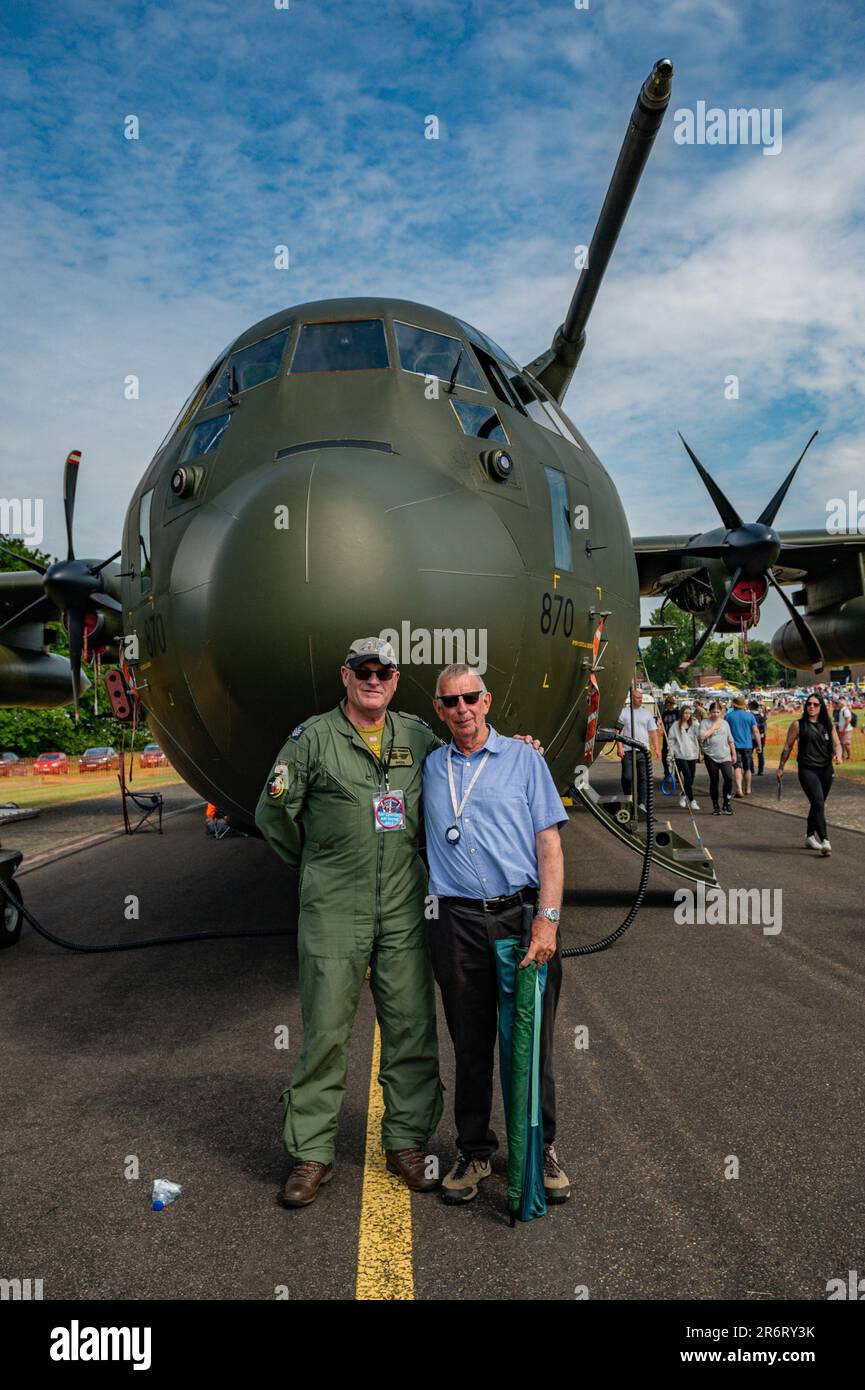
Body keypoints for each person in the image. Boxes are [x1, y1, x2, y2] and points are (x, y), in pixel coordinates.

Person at [255, 637, 444, 1206]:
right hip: (334, 908)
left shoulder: (416, 735)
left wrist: (518, 750)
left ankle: (406, 1142)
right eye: (363, 669)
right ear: (346, 675)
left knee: (411, 1027)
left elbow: (464, 767)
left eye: (384, 670)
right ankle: (312, 1153)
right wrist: (319, 867)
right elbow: (274, 814)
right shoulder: (312, 738)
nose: (374, 678)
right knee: (327, 1032)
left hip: (404, 906)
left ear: (395, 677)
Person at [422, 664, 570, 1208]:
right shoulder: (430, 767)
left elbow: (549, 845)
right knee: (470, 1043)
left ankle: (540, 1148)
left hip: (520, 915)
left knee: (531, 1044)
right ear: (439, 711)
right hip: (456, 921)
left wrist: (547, 918)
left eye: (470, 698)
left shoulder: (525, 760)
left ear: (486, 702)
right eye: (450, 702)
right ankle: (475, 1150)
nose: (461, 709)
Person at [777, 692, 842, 855]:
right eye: (809, 704)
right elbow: (787, 747)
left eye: (815, 704)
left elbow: (837, 743)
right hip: (807, 769)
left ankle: (809, 837)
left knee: (817, 804)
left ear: (821, 707)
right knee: (818, 803)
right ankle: (825, 840)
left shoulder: (828, 725)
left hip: (826, 769)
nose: (811, 707)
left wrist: (839, 755)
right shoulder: (798, 725)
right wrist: (781, 767)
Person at [616, 688, 659, 812]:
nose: (640, 700)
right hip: (628, 750)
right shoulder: (623, 713)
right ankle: (628, 797)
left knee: (643, 778)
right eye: (638, 698)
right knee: (627, 777)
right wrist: (619, 747)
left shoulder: (646, 714)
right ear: (632, 699)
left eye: (641, 698)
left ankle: (642, 803)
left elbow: (653, 732)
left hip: (643, 750)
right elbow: (619, 732)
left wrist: (657, 748)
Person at [698, 702, 738, 815]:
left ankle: (727, 803)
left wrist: (733, 754)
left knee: (729, 778)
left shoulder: (725, 723)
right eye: (713, 712)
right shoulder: (705, 722)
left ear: (721, 712)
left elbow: (730, 740)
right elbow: (701, 737)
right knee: (714, 780)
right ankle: (716, 806)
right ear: (710, 712)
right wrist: (713, 728)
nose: (716, 714)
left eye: (718, 712)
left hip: (725, 755)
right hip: (710, 755)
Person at [725, 694, 761, 797]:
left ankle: (739, 790)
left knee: (737, 768)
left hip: (734, 746)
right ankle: (748, 788)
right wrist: (759, 745)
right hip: (748, 746)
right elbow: (756, 731)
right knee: (748, 768)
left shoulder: (728, 716)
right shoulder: (750, 716)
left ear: (734, 705)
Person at [667, 704, 700, 810]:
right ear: (681, 713)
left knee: (691, 779)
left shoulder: (694, 724)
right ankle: (692, 800)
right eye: (686, 713)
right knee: (688, 777)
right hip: (680, 755)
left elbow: (700, 734)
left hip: (692, 754)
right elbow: (671, 741)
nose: (688, 715)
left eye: (689, 713)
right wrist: (669, 754)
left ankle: (683, 794)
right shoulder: (675, 725)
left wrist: (697, 722)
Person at [659, 694, 679, 779]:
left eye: (670, 703)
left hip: (676, 737)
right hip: (666, 737)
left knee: (676, 756)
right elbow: (663, 724)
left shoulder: (677, 713)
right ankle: (667, 772)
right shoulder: (664, 714)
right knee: (664, 755)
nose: (668, 705)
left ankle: (677, 774)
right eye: (667, 703)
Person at [749, 699, 768, 775]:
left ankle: (751, 769)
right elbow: (765, 726)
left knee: (749, 754)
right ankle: (761, 771)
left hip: (751, 737)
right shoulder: (762, 715)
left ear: (752, 706)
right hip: (761, 737)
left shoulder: (749, 715)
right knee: (761, 754)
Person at [835, 697, 853, 762]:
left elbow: (848, 720)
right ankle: (842, 756)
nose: (837, 704)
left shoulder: (845, 710)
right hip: (842, 729)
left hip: (846, 730)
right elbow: (842, 720)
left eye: (838, 703)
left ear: (841, 704)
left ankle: (850, 756)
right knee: (842, 743)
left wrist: (844, 729)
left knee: (846, 743)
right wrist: (836, 724)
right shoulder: (841, 710)